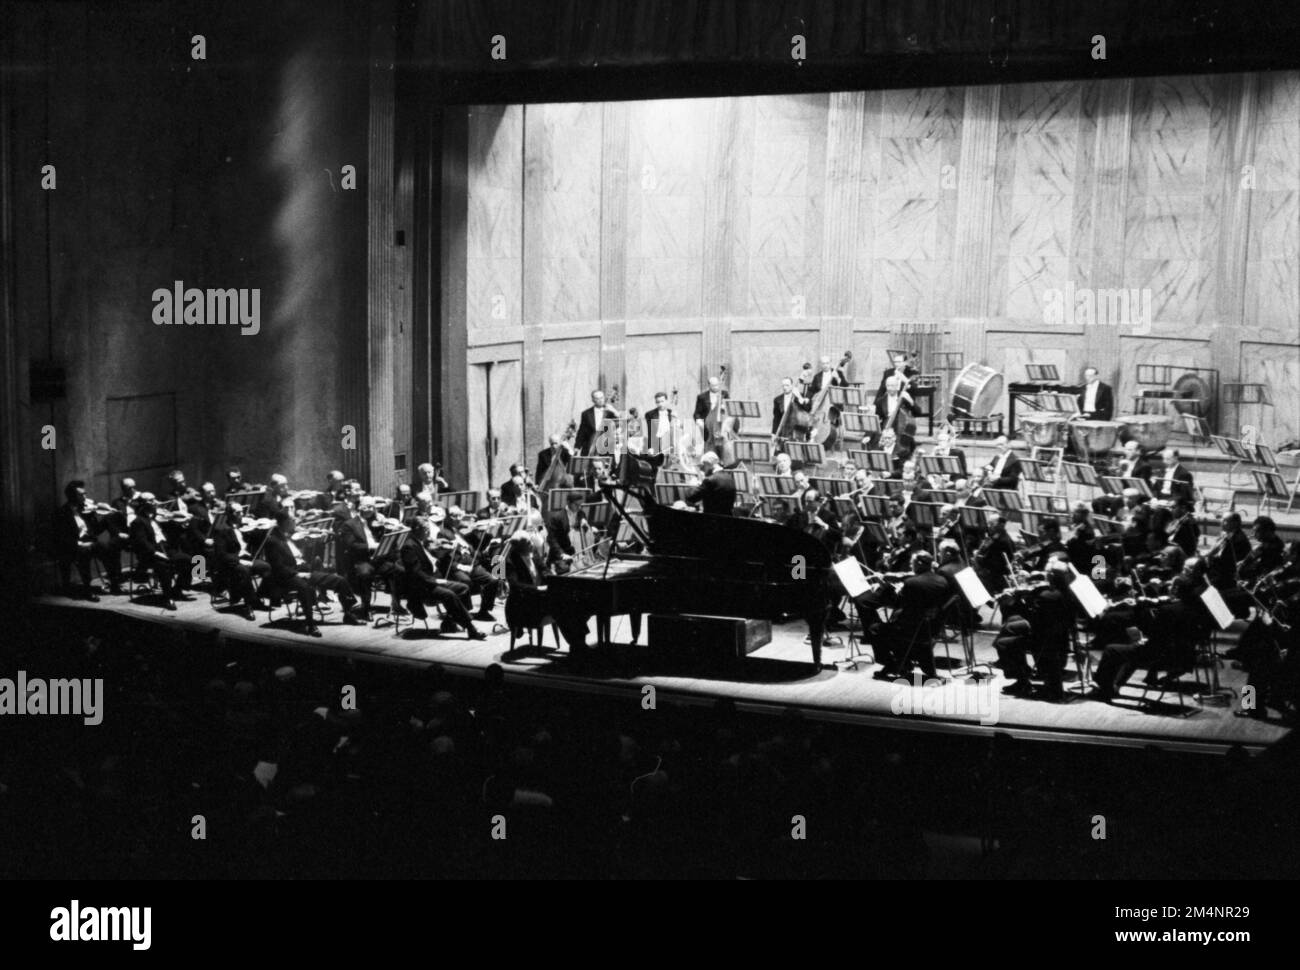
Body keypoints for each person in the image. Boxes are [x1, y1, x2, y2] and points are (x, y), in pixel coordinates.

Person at [261, 510, 366, 636]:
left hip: (300, 571)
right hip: (285, 577)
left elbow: (298, 556)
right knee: (306, 588)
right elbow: (277, 567)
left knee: (339, 580)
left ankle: (348, 614)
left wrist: (310, 544)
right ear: (284, 523)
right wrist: (298, 574)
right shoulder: (272, 541)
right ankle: (310, 624)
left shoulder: (288, 535)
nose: (296, 523)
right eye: (293, 520)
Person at [862, 550, 952, 682]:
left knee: (875, 629)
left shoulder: (912, 583)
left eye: (912, 563)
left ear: (919, 564)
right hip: (932, 627)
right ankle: (903, 662)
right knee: (898, 626)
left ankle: (891, 664)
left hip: (913, 629)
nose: (911, 566)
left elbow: (899, 605)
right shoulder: (942, 580)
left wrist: (889, 588)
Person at [995, 556, 1076, 701]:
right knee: (1011, 623)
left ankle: (1022, 678)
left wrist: (1016, 601)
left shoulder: (1046, 596)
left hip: (1044, 638)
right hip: (1058, 635)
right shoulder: (1064, 592)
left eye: (1047, 574)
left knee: (1003, 642)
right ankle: (1023, 678)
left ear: (1051, 576)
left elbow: (1035, 620)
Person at [54, 480, 124, 599]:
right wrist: (79, 544)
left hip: (90, 540)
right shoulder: (62, 513)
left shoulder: (86, 508)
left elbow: (95, 526)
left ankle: (114, 583)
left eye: (85, 493)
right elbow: (62, 536)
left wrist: (106, 511)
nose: (85, 497)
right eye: (81, 495)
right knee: (84, 553)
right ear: (71, 496)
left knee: (108, 547)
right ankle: (87, 590)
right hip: (74, 545)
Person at [128, 493, 194, 610]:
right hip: (149, 554)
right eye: (152, 500)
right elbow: (142, 542)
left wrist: (181, 522)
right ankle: (167, 598)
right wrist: (155, 552)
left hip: (165, 548)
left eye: (155, 499)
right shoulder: (138, 522)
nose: (156, 502)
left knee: (189, 560)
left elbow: (171, 533)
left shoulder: (157, 518)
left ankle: (177, 590)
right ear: (144, 504)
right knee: (164, 565)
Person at [684, 451, 736, 516]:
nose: (702, 470)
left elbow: (691, 498)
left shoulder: (710, 480)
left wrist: (692, 485)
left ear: (708, 464)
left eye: (703, 466)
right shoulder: (729, 478)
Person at [576, 390, 620, 457]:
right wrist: (577, 446)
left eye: (602, 398)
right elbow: (581, 431)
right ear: (593, 400)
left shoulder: (610, 412)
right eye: (597, 398)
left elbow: (620, 424)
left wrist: (614, 411)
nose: (600, 400)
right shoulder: (586, 414)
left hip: (606, 445)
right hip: (590, 445)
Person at [693, 376, 729, 448]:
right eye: (713, 385)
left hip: (721, 425)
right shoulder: (702, 397)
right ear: (709, 385)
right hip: (708, 426)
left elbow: (729, 408)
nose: (716, 387)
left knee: (722, 446)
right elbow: (697, 413)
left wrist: (724, 407)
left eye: (717, 385)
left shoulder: (724, 394)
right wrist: (699, 422)